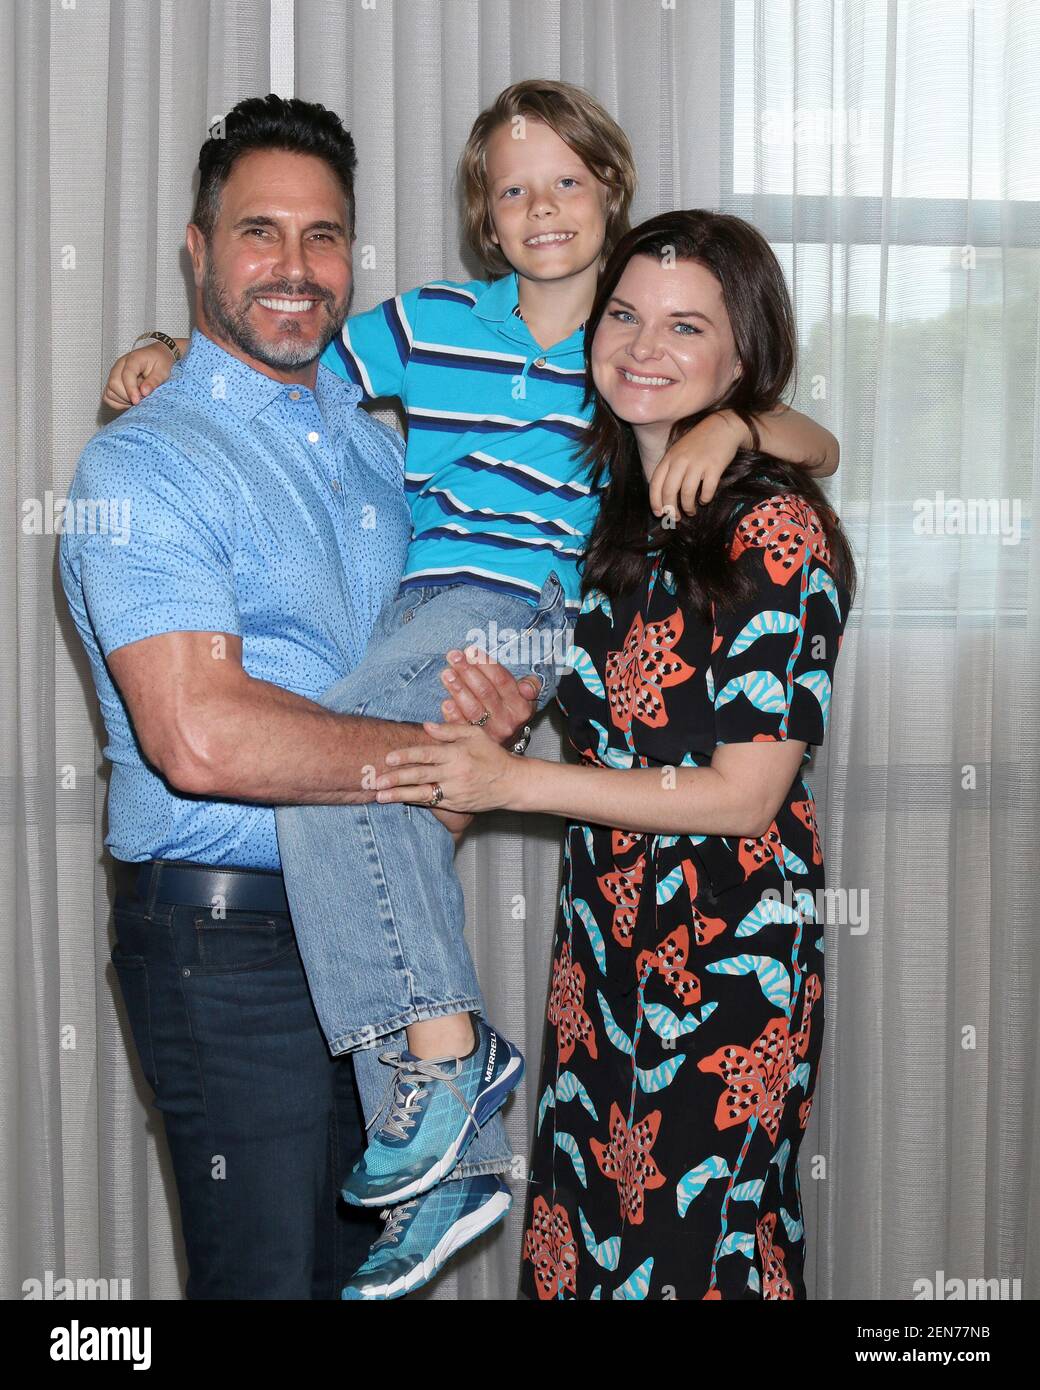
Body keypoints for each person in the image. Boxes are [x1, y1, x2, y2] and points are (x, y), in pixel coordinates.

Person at [100, 82, 840, 1300]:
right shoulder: (453, 329)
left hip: (516, 621)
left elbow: (787, 422)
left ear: (613, 191)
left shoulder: (635, 355)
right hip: (554, 852)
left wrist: (747, 422)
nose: (540, 207)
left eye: (565, 182)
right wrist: (171, 353)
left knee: (340, 765)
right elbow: (291, 359)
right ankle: (437, 1093)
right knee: (354, 786)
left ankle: (441, 1066)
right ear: (482, 221)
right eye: (511, 190)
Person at [60, 95, 544, 1300]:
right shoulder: (142, 462)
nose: (293, 266)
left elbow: (432, 716)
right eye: (259, 231)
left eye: (322, 237)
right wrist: (438, 761)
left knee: (361, 1286)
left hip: (367, 936)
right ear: (197, 247)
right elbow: (203, 737)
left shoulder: (377, 447)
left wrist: (484, 727)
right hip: (221, 947)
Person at [373, 209, 857, 1301]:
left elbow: (743, 796)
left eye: (685, 326)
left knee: (695, 1257)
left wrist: (512, 783)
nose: (643, 346)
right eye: (625, 315)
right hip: (601, 950)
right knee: (583, 1249)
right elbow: (620, 723)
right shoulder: (613, 519)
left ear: (743, 358)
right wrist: (512, 704)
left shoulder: (773, 531)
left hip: (726, 963)